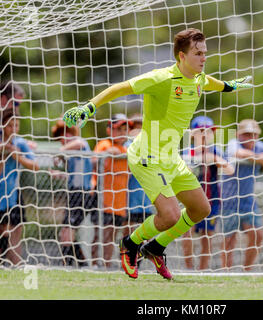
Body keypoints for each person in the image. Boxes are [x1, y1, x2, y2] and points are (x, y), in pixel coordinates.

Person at [63, 28, 253, 280]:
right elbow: (120, 87)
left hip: (170, 158)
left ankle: (155, 247)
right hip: (146, 156)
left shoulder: (199, 79)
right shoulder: (161, 78)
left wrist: (232, 86)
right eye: (198, 54)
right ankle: (130, 244)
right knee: (171, 215)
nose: (203, 58)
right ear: (181, 57)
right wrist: (89, 106)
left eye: (205, 53)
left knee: (201, 209)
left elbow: (217, 84)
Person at [221, 119, 263, 271]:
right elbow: (238, 153)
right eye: (247, 134)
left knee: (257, 235)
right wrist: (260, 158)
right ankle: (226, 273)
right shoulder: (233, 143)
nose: (251, 137)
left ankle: (246, 271)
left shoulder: (258, 146)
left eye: (254, 134)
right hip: (230, 200)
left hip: (248, 200)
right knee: (230, 240)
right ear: (239, 134)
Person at [182, 116, 234, 270]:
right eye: (201, 131)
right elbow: (183, 171)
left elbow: (230, 170)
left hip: (212, 199)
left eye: (209, 131)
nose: (206, 135)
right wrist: (197, 160)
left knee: (207, 237)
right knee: (187, 234)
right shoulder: (187, 152)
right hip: (189, 199)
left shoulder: (216, 151)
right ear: (192, 134)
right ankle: (189, 268)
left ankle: (202, 270)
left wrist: (215, 159)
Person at [52, 120, 96, 267]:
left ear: (69, 134)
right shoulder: (71, 154)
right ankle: (82, 263)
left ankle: (68, 264)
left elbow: (80, 142)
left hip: (82, 194)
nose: (62, 142)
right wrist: (61, 174)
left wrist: (61, 151)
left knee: (66, 232)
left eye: (63, 138)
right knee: (66, 233)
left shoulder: (80, 144)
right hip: (74, 193)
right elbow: (75, 176)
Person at [91, 113, 131, 269]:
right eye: (118, 129)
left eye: (124, 129)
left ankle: (106, 264)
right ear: (109, 130)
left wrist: (120, 153)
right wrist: (110, 152)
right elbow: (95, 159)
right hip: (104, 200)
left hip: (120, 203)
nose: (122, 132)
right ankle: (95, 264)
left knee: (112, 236)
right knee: (101, 234)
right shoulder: (104, 144)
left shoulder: (127, 149)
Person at [0, 111, 39, 266]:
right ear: (3, 125)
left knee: (13, 236)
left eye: (16, 125)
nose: (13, 128)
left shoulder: (20, 144)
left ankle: (18, 267)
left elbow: (35, 166)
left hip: (12, 196)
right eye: (10, 125)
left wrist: (18, 156)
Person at [124, 113, 154, 235]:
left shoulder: (151, 147)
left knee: (146, 235)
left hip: (146, 200)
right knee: (128, 233)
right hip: (128, 200)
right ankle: (126, 254)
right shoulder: (127, 146)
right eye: (136, 127)